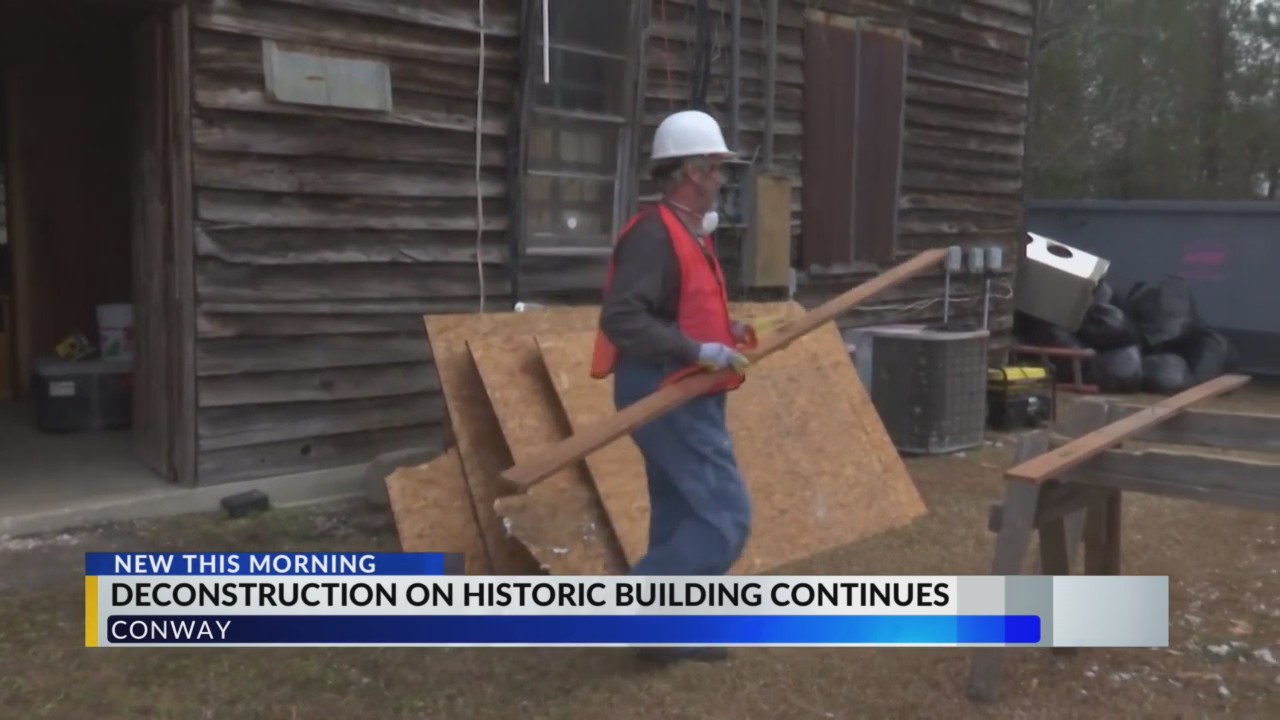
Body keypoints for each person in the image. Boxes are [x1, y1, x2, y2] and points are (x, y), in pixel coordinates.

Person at [590, 109, 758, 666]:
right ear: (692, 172)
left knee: (681, 514)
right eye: (716, 168)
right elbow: (623, 318)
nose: (722, 179)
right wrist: (695, 350)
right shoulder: (654, 235)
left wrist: (720, 332)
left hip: (689, 388)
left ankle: (663, 637)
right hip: (664, 390)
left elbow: (673, 309)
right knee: (723, 520)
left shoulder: (689, 232)